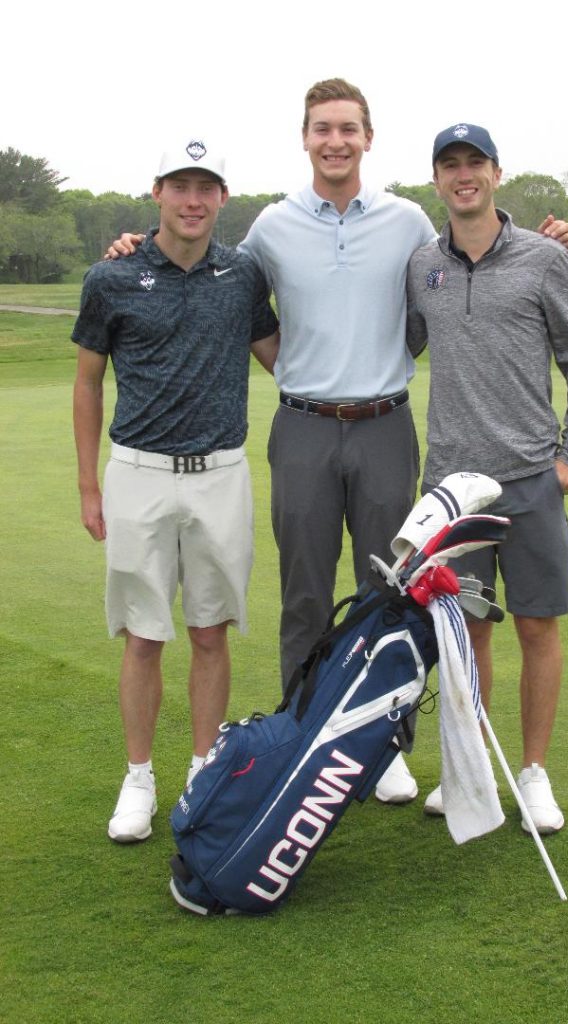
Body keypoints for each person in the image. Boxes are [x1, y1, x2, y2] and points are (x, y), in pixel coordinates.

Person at [106, 82, 568, 806]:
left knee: (387, 595)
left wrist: (538, 245)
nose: (335, 141)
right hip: (302, 428)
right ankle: (302, 735)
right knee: (303, 596)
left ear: (367, 138)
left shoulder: (406, 220)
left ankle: (381, 746)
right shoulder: (271, 226)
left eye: (348, 129)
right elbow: (207, 260)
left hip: (386, 426)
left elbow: (466, 259)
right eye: (322, 128)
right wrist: (135, 243)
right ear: (305, 138)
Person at [73, 140, 279, 843]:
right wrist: (86, 486)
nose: (194, 200)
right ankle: (138, 777)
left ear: (222, 198)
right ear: (158, 191)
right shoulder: (113, 276)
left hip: (222, 473)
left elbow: (281, 357)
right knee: (142, 637)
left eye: (208, 187)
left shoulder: (243, 274)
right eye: (181, 186)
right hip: (137, 473)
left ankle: (203, 768)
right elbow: (86, 382)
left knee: (211, 632)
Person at [406, 124, 568, 833]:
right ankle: (468, 768)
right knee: (466, 635)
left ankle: (534, 772)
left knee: (536, 627)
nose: (464, 176)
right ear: (436, 179)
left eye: (475, 164)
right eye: (450, 165)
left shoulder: (546, 259)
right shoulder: (421, 265)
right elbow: (398, 343)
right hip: (452, 487)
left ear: (495, 172)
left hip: (528, 478)